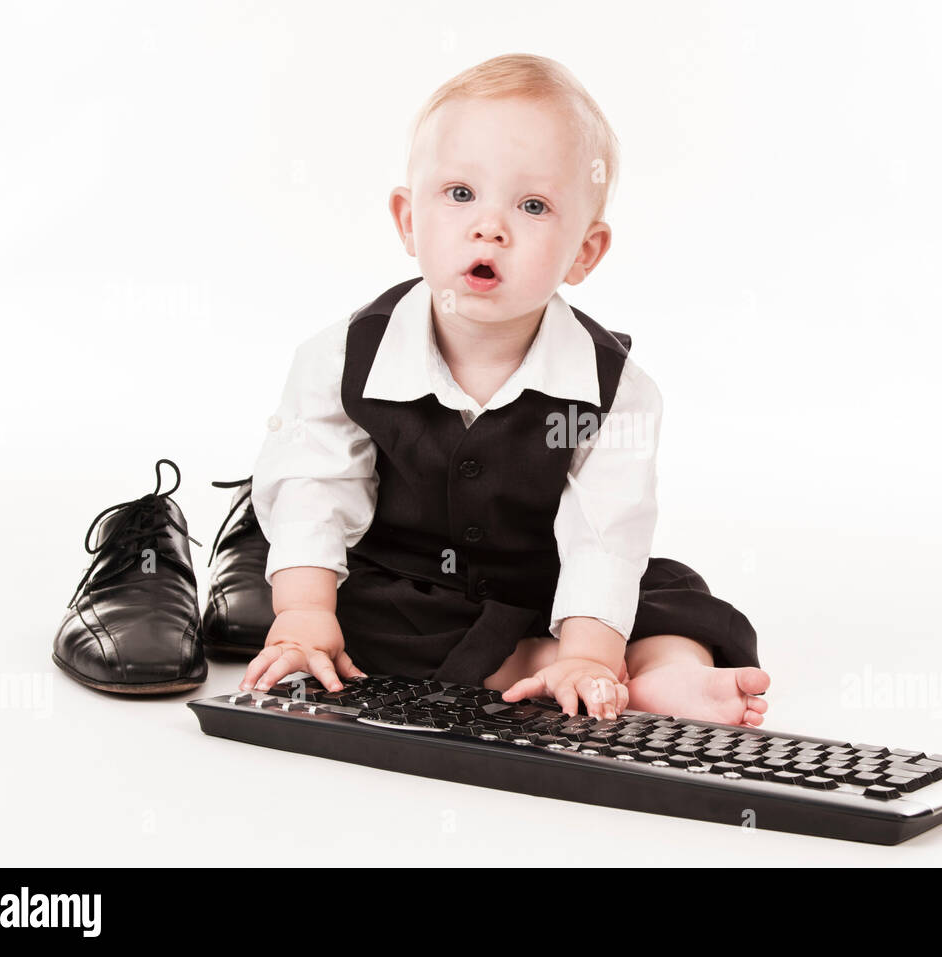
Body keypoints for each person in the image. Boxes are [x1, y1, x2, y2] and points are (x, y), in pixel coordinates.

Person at [240, 53, 770, 726]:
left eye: (533, 205)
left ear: (585, 251)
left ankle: (658, 668)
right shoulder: (346, 358)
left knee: (667, 587)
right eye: (460, 194)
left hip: (548, 581)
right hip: (410, 582)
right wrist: (304, 618)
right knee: (354, 610)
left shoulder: (612, 389)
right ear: (408, 220)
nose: (490, 226)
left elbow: (605, 531)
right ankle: (544, 665)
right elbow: (315, 488)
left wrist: (590, 647)